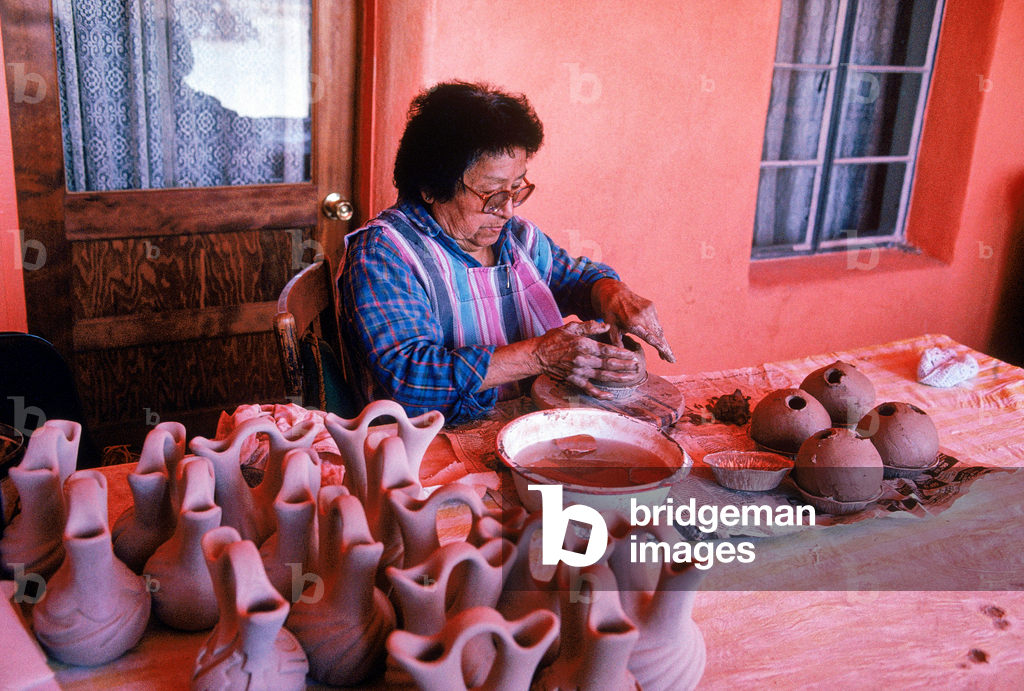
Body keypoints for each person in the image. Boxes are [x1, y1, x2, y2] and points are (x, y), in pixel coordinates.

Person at [339, 81, 675, 425]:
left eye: (516, 188)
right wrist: (539, 356)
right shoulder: (385, 253)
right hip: (431, 445)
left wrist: (612, 293)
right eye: (491, 194)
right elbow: (410, 377)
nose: (508, 209)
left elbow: (576, 279)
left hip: (522, 423)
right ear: (431, 188)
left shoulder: (515, 238)